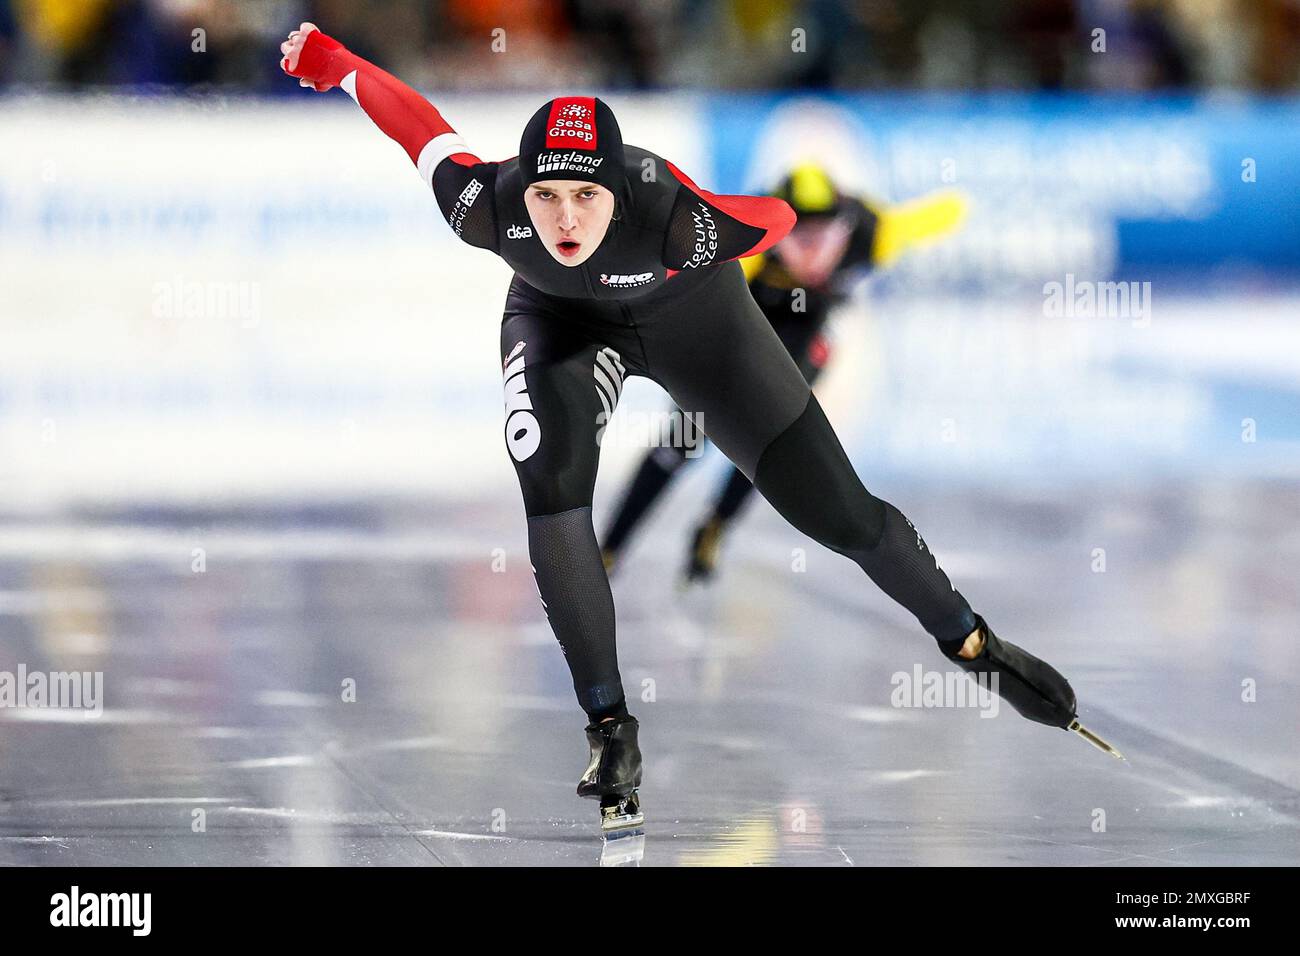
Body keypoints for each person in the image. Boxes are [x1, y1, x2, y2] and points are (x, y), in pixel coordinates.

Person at [279, 22, 1108, 834]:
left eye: (586, 197)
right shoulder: (482, 204)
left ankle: (971, 642)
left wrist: (791, 236)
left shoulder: (678, 215)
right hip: (560, 325)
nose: (565, 220)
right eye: (547, 197)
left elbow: (774, 219)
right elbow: (415, 124)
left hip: (697, 322)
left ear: (618, 191)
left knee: (842, 516)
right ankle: (611, 732)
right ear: (518, 190)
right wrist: (335, 61)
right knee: (549, 485)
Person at [599, 162, 967, 586]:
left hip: (804, 332)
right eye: (800, 239)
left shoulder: (874, 234)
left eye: (825, 238)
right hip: (734, 324)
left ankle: (716, 525)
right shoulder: (751, 242)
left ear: (845, 230)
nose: (813, 253)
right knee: (682, 440)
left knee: (773, 430)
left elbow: (938, 215)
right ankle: (610, 548)